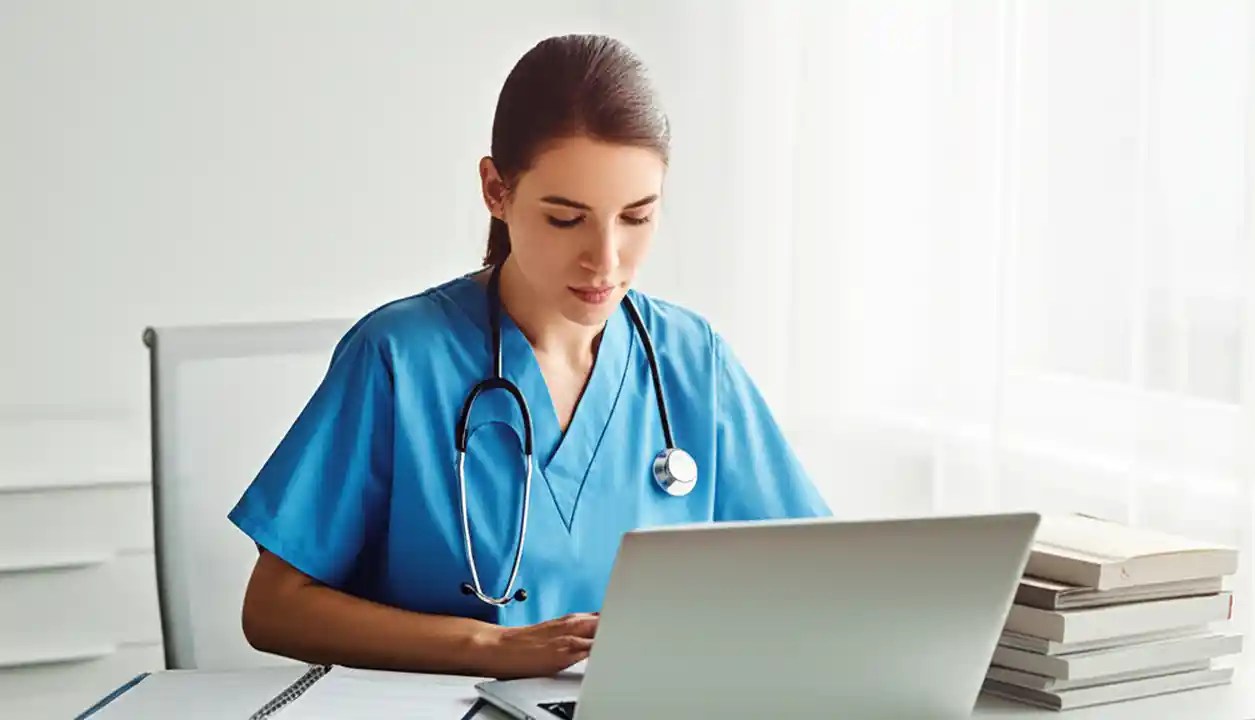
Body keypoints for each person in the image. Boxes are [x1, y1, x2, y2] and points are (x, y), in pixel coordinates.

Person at [229, 33, 830, 681]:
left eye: (637, 217)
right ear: (496, 190)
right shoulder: (398, 358)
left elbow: (820, 581)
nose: (605, 260)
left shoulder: (693, 361)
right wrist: (488, 649)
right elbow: (273, 609)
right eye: (566, 219)